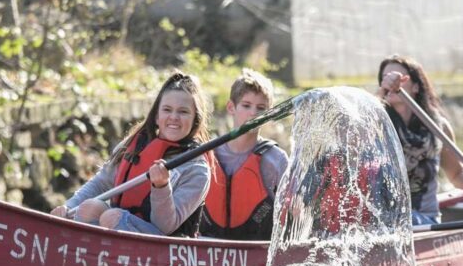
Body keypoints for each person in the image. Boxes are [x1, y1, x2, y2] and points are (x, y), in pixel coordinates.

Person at [51, 71, 212, 237]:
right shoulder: (134, 145)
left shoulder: (197, 169)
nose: (174, 117)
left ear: (195, 120)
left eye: (183, 112)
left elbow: (166, 226)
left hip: (164, 243)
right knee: (88, 207)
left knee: (111, 216)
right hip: (122, 225)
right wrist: (69, 207)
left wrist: (162, 187)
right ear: (157, 116)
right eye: (167, 110)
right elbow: (100, 183)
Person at [377, 54, 463, 226]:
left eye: (397, 77)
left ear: (415, 87)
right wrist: (380, 94)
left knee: (401, 220)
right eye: (385, 79)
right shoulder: (375, 124)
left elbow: (456, 174)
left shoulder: (438, 128)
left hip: (423, 221)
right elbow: (359, 118)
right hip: (382, 220)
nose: (390, 82)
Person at [199, 69, 289, 240]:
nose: (253, 113)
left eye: (261, 108)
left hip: (257, 250)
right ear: (231, 107)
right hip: (209, 248)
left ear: (269, 114)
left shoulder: (276, 159)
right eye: (246, 106)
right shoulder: (207, 154)